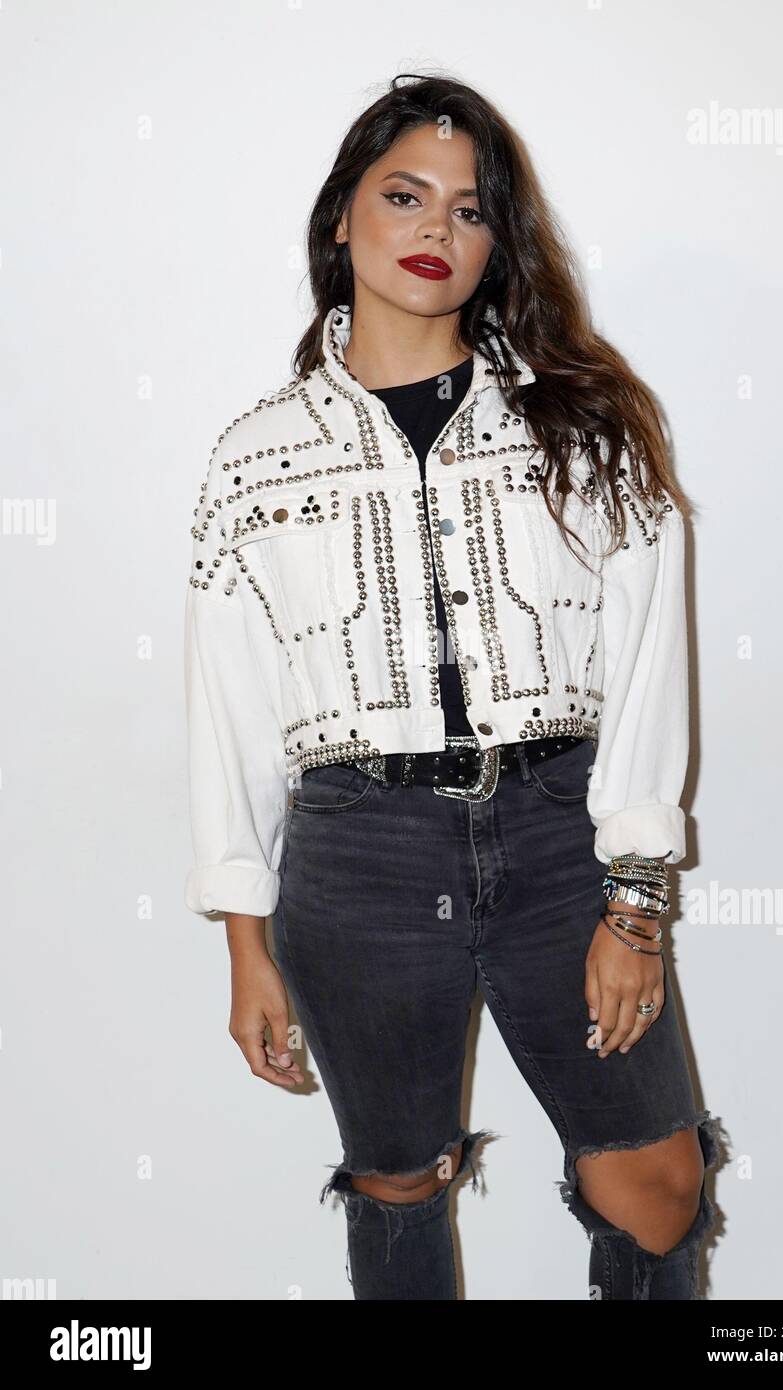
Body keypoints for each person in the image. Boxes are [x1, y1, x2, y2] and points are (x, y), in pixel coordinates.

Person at [184, 73, 722, 1301]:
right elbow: (227, 710)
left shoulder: (581, 425)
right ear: (342, 221)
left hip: (555, 837)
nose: (435, 231)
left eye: (469, 210)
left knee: (653, 1182)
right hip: (357, 854)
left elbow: (644, 669)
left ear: (498, 241)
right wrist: (243, 941)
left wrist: (633, 901)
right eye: (403, 196)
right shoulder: (252, 458)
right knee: (398, 1180)